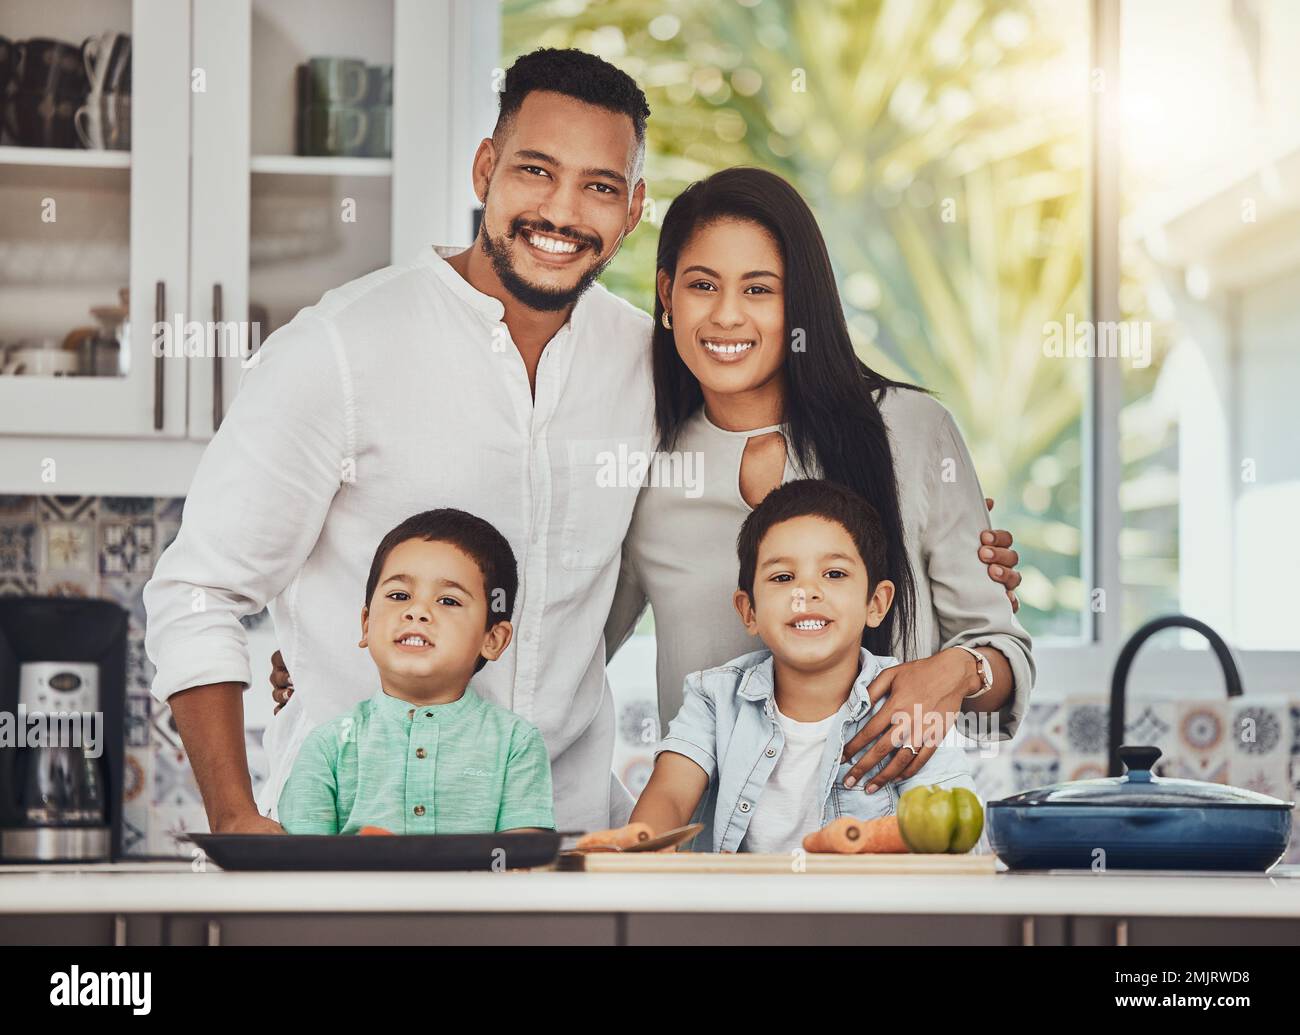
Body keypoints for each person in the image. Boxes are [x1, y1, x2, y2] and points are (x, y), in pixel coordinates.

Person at [144, 48, 658, 834]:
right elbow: (199, 591)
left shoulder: (649, 366)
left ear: (633, 208)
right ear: (484, 169)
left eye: (599, 186)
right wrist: (237, 818)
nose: (561, 212)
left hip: (565, 856)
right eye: (534, 171)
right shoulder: (338, 348)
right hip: (355, 852)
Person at [604, 168, 1034, 794]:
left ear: (800, 301)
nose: (726, 316)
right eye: (702, 285)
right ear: (667, 295)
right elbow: (567, 650)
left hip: (891, 857)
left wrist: (958, 671)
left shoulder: (911, 432)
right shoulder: (644, 463)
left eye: (759, 289)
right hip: (719, 872)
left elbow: (1001, 670)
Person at [630, 480, 974, 853]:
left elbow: (951, 832)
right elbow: (671, 793)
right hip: (739, 910)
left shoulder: (909, 704)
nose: (806, 592)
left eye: (834, 574)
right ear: (750, 611)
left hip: (873, 909)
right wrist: (645, 848)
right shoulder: (714, 699)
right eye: (782, 577)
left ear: (876, 603)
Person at [277, 509, 554, 835]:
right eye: (399, 595)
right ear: (366, 624)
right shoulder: (329, 746)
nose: (417, 611)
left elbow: (522, 866)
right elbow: (302, 869)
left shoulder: (516, 744)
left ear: (492, 639)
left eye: (448, 601)